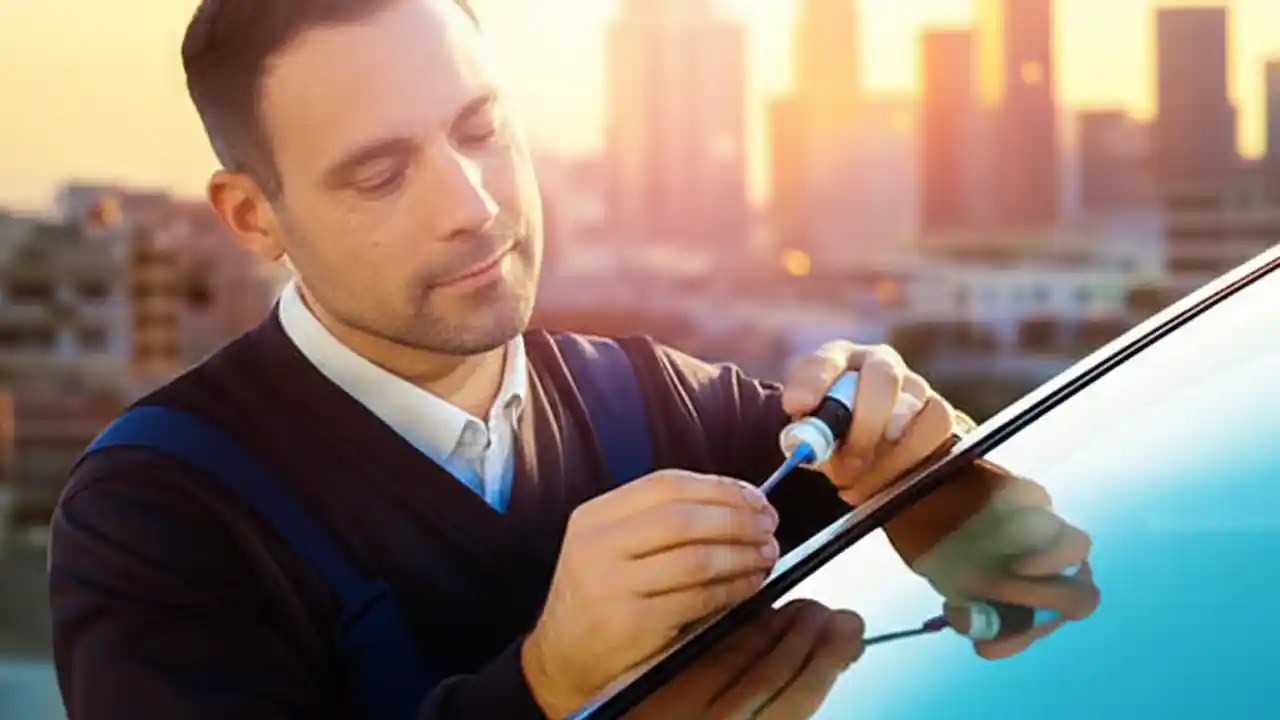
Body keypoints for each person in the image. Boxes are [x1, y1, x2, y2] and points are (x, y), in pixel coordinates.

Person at [47, 1, 1097, 718]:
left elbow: (1053, 593)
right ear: (252, 215)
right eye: (378, 176)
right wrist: (546, 687)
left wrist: (933, 471)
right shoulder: (156, 517)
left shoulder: (658, 403)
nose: (473, 207)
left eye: (482, 129)